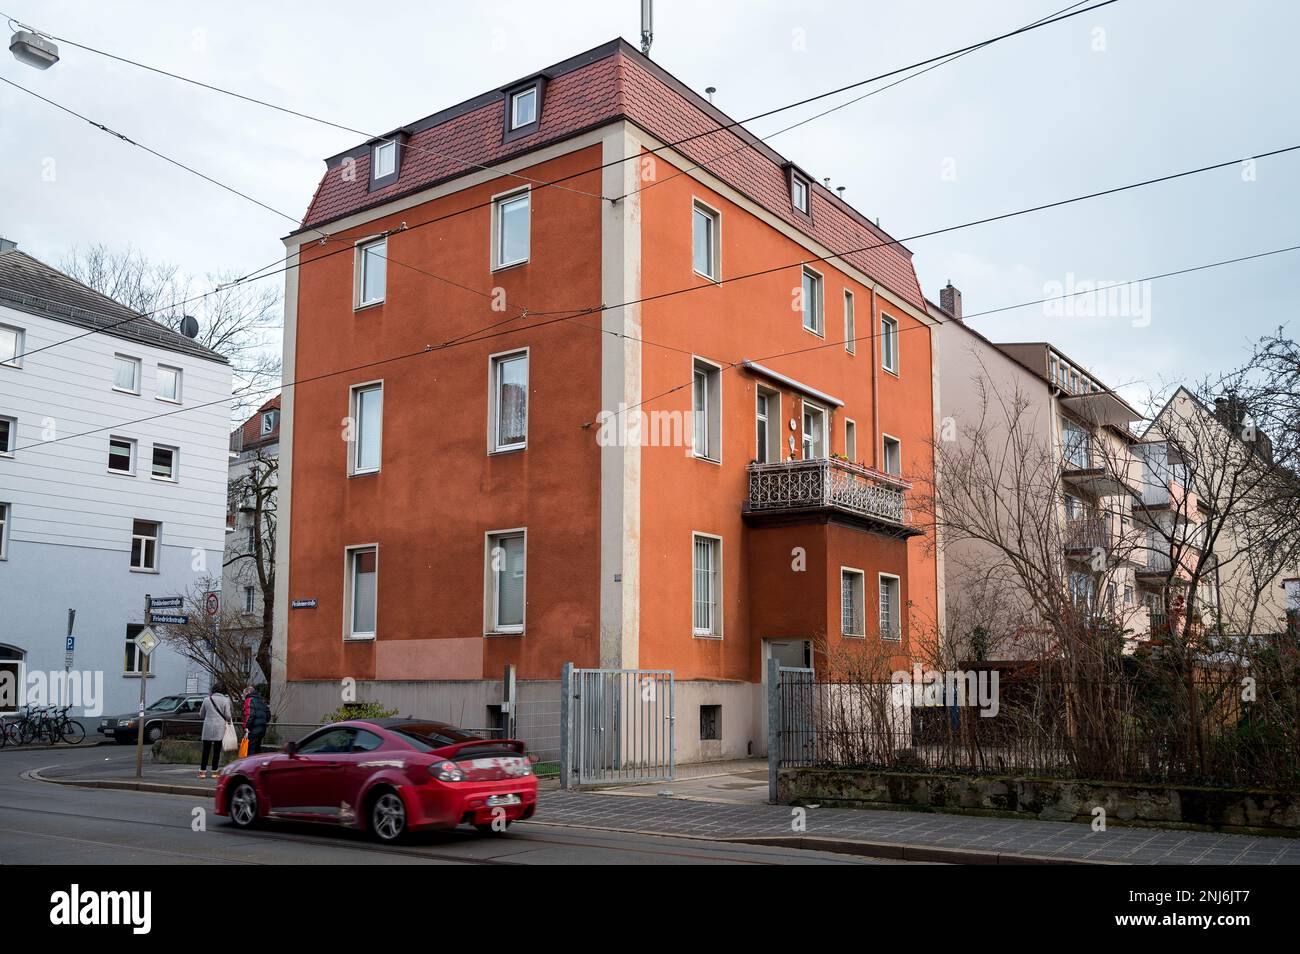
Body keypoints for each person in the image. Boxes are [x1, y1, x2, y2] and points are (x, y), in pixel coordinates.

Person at [198, 684, 233, 780]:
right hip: (219, 727)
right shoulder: (225, 700)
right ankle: (214, 772)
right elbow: (228, 715)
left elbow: (201, 714)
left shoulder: (206, 699)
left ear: (214, 689)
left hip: (208, 727)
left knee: (206, 750)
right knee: (217, 750)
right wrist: (228, 721)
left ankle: (202, 772)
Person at [242, 687, 270, 755]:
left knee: (251, 751)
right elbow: (268, 715)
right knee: (257, 751)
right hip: (262, 729)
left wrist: (246, 726)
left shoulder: (249, 700)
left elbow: (249, 715)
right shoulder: (261, 701)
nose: (244, 696)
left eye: (244, 694)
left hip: (253, 730)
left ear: (248, 692)